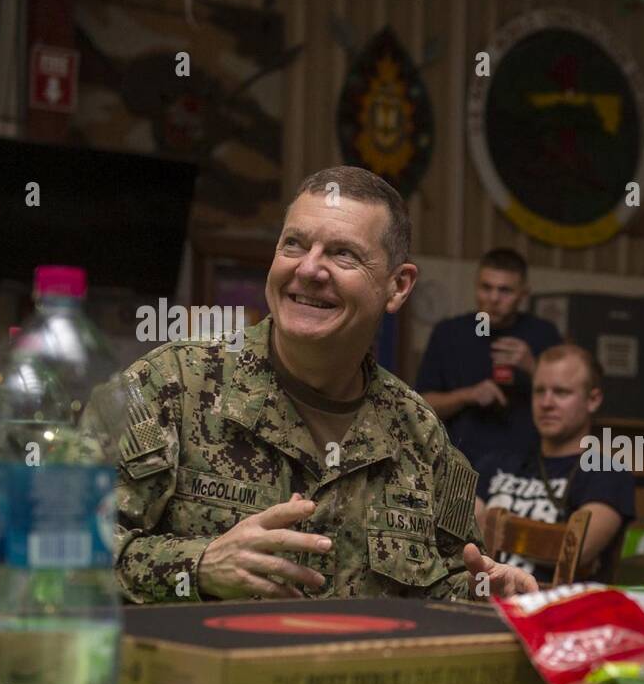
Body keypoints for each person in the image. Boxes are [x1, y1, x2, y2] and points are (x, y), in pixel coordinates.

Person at [109, 165, 537, 603]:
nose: (309, 268)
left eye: (343, 254)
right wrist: (199, 567)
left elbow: (445, 583)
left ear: (398, 286)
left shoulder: (419, 433)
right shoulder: (167, 387)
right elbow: (58, 554)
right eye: (294, 244)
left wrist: (484, 590)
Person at [474, 344, 635, 582]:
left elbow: (574, 549)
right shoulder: (496, 463)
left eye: (561, 392)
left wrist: (492, 526)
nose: (546, 403)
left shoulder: (608, 474)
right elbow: (459, 535)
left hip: (554, 610)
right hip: (481, 602)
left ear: (593, 400)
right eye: (539, 391)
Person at [414, 248, 562, 476]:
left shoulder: (543, 334)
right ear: (476, 286)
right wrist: (468, 395)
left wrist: (533, 367)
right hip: (460, 465)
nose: (493, 298)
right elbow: (421, 408)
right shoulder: (449, 333)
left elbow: (570, 403)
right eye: (486, 288)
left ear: (523, 294)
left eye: (505, 291)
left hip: (528, 466)